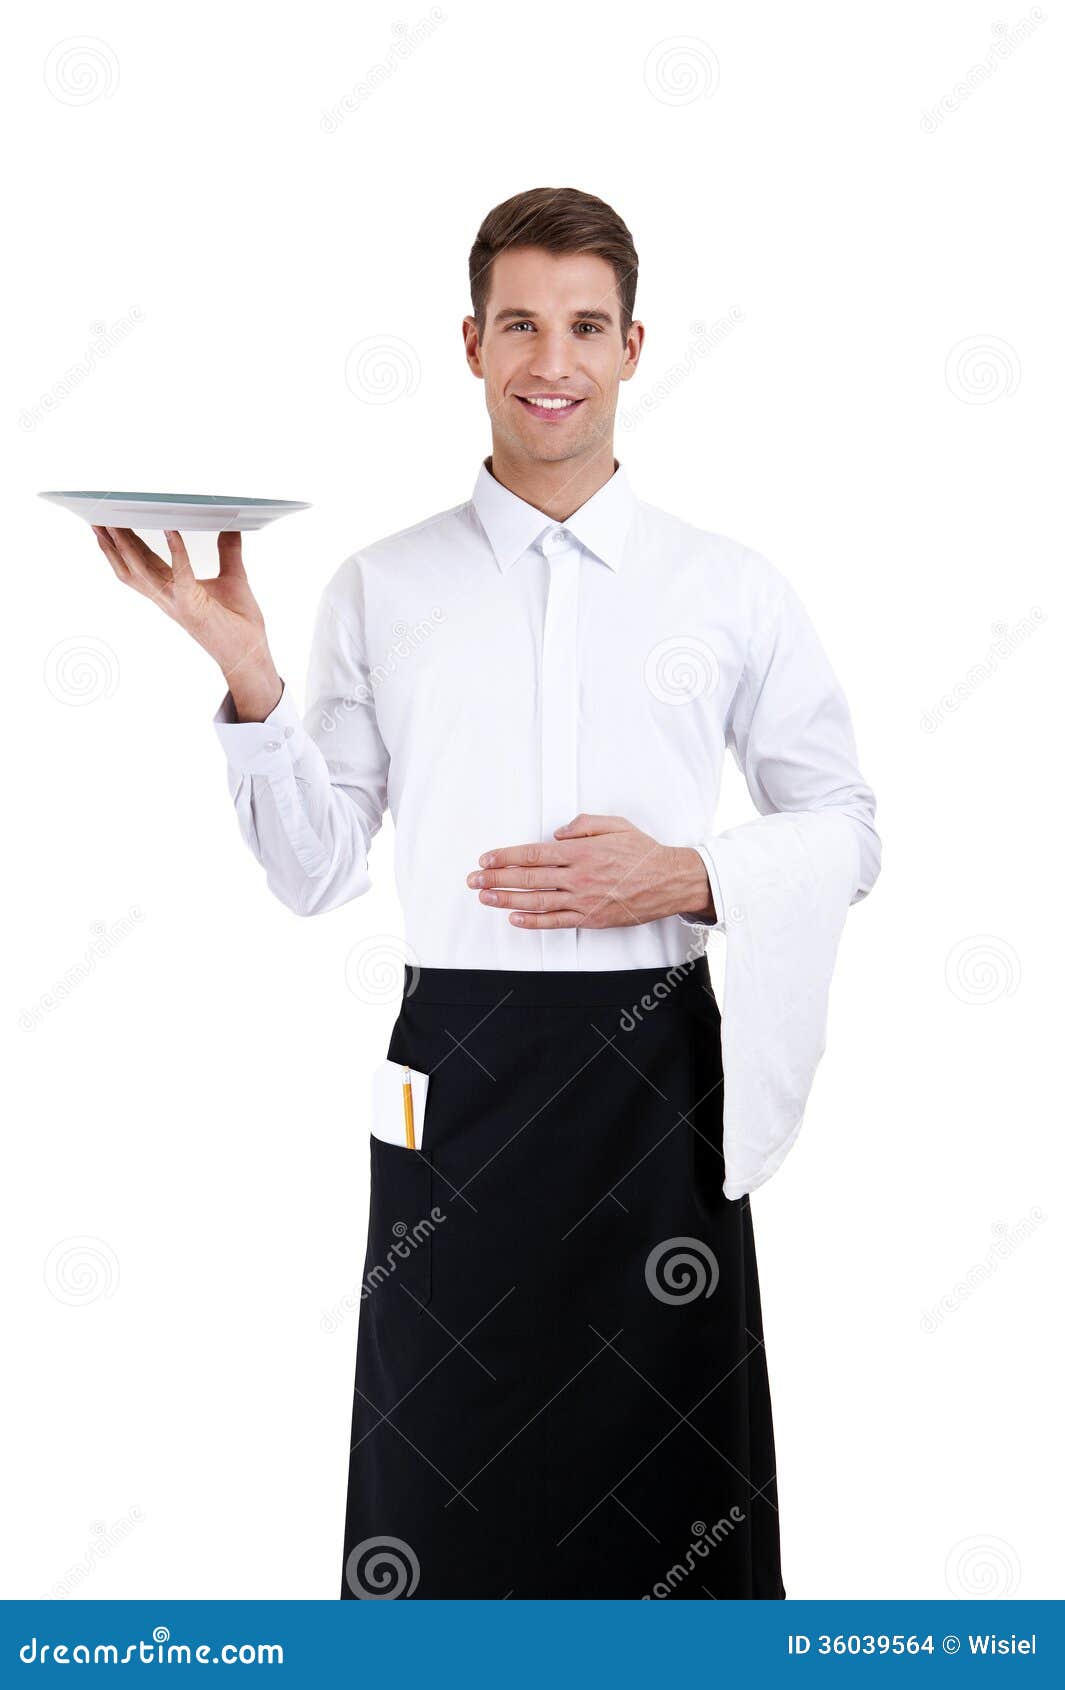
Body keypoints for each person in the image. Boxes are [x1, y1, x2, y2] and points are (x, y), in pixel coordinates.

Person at [92, 185, 881, 1600]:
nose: (551, 359)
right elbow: (316, 868)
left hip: (658, 1071)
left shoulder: (728, 586)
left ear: (635, 345)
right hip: (451, 1072)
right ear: (469, 342)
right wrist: (251, 678)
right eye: (518, 322)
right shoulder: (381, 586)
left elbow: (845, 826)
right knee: (439, 1457)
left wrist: (693, 869)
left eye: (584, 324)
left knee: (671, 1467)